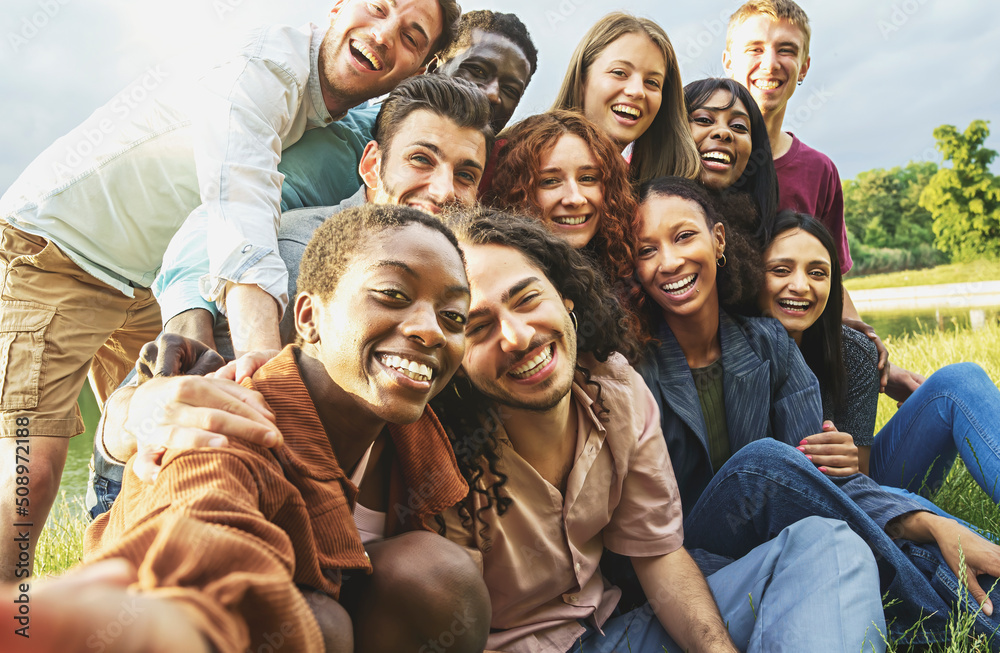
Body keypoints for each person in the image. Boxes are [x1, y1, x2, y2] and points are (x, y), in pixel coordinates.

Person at [0, 0, 460, 581]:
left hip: (139, 277)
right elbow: (239, 213)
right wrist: (266, 369)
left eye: (412, 34)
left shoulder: (346, 118)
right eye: (376, 8)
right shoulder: (262, 66)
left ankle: (119, 584)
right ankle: (13, 621)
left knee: (161, 447)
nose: (384, 32)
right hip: (54, 250)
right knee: (29, 471)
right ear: (339, 6)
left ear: (419, 67)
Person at [7, 203, 492, 653]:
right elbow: (202, 525)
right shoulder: (229, 420)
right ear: (309, 316)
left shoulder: (415, 431)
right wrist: (176, 625)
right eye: (392, 294)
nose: (430, 329)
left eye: (453, 316)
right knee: (318, 623)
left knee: (437, 573)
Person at [432, 208, 885, 653]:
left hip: (620, 631)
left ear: (564, 295)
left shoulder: (616, 388)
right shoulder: (442, 450)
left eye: (527, 299)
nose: (517, 336)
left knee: (827, 543)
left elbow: (659, 556)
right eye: (478, 326)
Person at [89, 73, 494, 516]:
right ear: (371, 166)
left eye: (465, 175)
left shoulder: (448, 270)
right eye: (421, 160)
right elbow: (199, 414)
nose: (443, 190)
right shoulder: (300, 260)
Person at [633, 176, 1000, 645]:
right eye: (646, 250)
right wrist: (919, 520)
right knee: (763, 463)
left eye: (684, 236)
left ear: (718, 240)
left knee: (808, 481)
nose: (669, 260)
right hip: (684, 557)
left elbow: (825, 480)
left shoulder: (769, 344)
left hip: (790, 538)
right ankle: (949, 615)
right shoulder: (632, 367)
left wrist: (931, 522)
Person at [722, 0, 926, 402]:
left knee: (946, 381)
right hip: (725, 360)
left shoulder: (818, 170)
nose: (771, 62)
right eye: (755, 49)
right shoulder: (693, 157)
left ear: (805, 67)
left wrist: (870, 349)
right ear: (728, 60)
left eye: (786, 50)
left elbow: (831, 278)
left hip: (801, 360)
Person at [760, 211, 1000, 502]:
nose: (801, 286)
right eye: (781, 270)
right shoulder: (734, 353)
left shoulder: (853, 351)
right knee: (935, 525)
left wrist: (845, 462)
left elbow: (860, 481)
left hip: (857, 493)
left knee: (960, 380)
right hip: (773, 506)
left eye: (817, 272)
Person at [550, 12, 700, 186]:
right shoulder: (524, 160)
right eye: (619, 73)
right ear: (582, 78)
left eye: (652, 82)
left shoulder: (661, 194)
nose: (637, 91)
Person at [684, 77, 777, 242]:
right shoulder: (635, 212)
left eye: (738, 126)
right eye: (704, 120)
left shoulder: (774, 242)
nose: (723, 132)